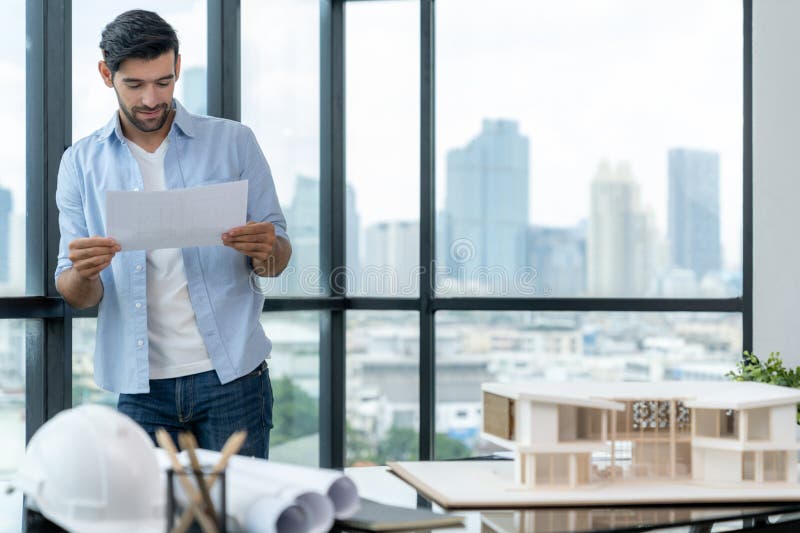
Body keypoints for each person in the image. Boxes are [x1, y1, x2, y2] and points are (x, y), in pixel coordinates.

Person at [54, 9, 291, 458]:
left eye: (163, 82)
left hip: (234, 379)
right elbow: (77, 293)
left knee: (238, 502)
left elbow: (277, 259)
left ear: (178, 67)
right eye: (134, 85)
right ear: (106, 74)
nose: (151, 99)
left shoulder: (234, 142)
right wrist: (84, 272)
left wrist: (267, 249)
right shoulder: (80, 164)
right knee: (146, 503)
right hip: (141, 389)